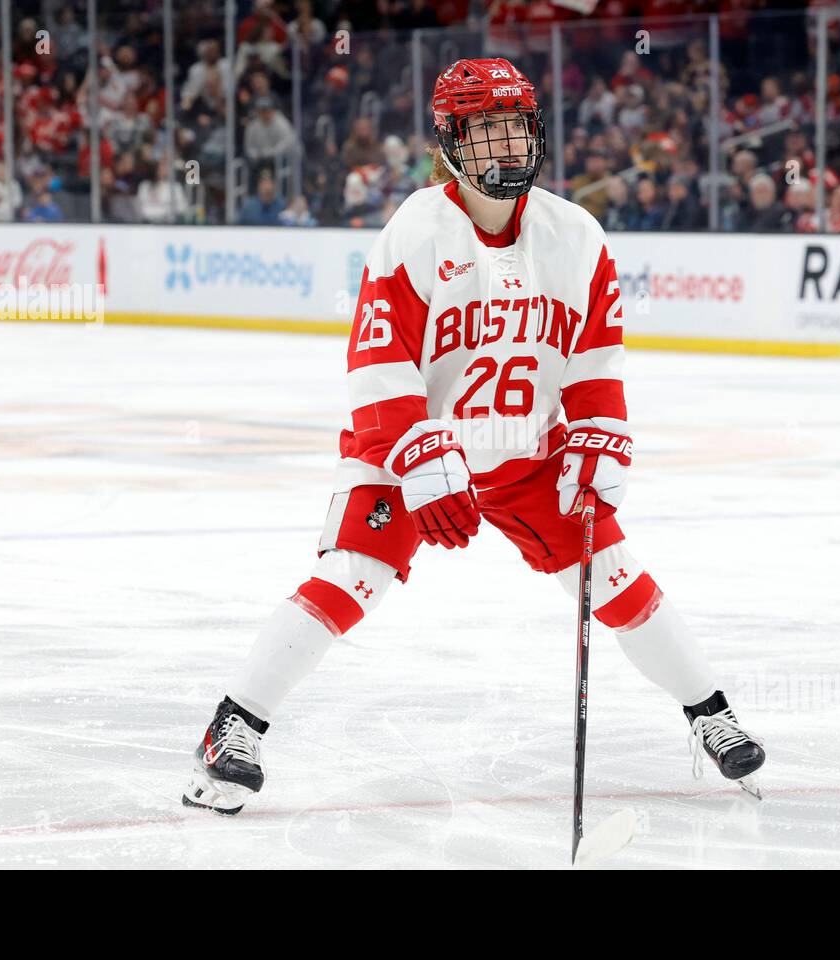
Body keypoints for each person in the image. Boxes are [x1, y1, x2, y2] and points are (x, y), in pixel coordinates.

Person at [182, 57, 766, 816]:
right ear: (452, 142)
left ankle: (709, 714)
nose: (506, 148)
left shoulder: (576, 236)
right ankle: (232, 730)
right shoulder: (416, 232)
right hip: (409, 449)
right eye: (486, 132)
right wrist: (420, 454)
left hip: (527, 451)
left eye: (516, 128)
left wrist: (597, 436)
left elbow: (594, 359)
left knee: (614, 575)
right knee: (357, 573)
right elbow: (377, 360)